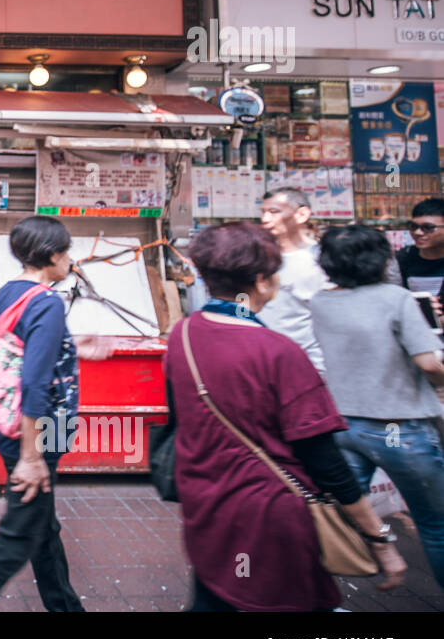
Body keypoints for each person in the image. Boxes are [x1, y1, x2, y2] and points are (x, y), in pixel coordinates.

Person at [169, 222, 405, 611]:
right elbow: (326, 461)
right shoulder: (279, 353)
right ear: (262, 281)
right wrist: (379, 538)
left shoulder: (183, 334)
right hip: (271, 516)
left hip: (206, 509)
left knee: (218, 596)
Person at [0, 215, 102, 612]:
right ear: (52, 255)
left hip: (11, 428)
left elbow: (17, 350)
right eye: (67, 252)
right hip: (36, 435)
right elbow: (32, 382)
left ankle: (65, 606)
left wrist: (69, 345)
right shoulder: (47, 302)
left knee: (42, 528)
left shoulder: (10, 291)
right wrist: (31, 458)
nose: (70, 260)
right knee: (15, 540)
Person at [310, 224, 444, 590]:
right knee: (435, 524)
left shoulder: (320, 302)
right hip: (399, 427)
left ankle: (324, 588)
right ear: (381, 258)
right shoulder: (396, 299)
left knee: (340, 514)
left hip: (342, 427)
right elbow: (429, 363)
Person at [257, 187, 327, 375]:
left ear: (301, 214)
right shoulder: (256, 260)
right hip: (260, 365)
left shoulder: (321, 260)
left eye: (274, 212)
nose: (265, 220)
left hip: (306, 368)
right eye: (263, 213)